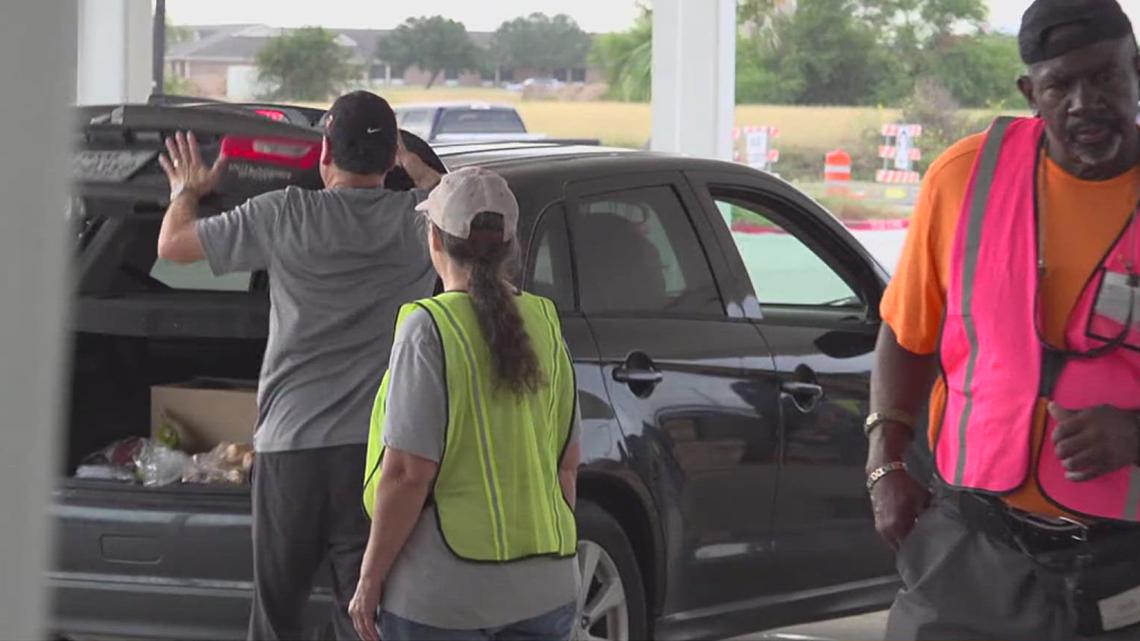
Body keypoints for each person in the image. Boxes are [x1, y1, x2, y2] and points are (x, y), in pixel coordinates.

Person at [865, 0, 1140, 639]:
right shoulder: (964, 179)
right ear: (1029, 93)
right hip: (968, 551)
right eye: (1059, 85)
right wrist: (886, 461)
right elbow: (907, 334)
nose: (1083, 102)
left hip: (1125, 565)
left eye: (1103, 76)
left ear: (1137, 69)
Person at [156, 90, 443, 641]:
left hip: (291, 451)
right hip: (376, 455)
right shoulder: (418, 226)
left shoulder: (284, 212)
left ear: (323, 156)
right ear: (391, 161)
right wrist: (420, 171)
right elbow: (471, 222)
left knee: (276, 618)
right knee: (365, 616)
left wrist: (186, 191)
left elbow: (173, 245)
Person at [347, 167, 582, 641]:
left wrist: (369, 580)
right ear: (510, 246)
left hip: (443, 595)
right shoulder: (545, 322)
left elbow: (409, 474)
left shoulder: (428, 328)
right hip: (549, 590)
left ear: (434, 239)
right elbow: (567, 468)